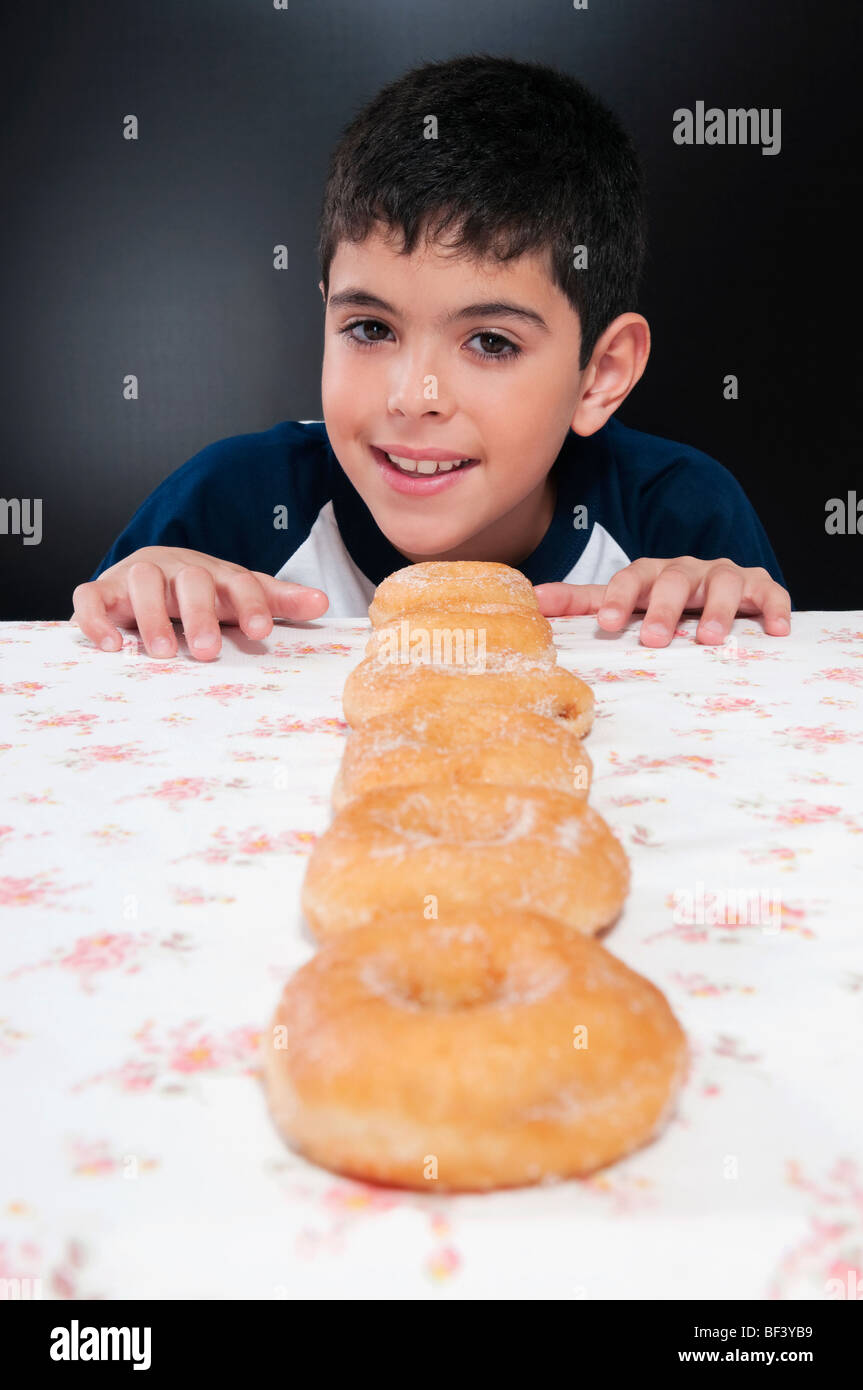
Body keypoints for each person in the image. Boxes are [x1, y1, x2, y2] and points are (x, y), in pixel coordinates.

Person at [71, 54, 791, 661]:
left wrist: (731, 618)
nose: (414, 397)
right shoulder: (222, 507)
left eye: (490, 343)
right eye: (370, 329)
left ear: (599, 375)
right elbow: (86, 704)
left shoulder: (680, 518)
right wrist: (137, 598)